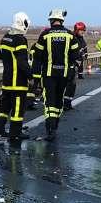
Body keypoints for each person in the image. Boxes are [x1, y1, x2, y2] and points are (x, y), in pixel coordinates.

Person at [31, 9, 79, 140]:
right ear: (62, 20)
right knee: (59, 100)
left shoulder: (45, 35)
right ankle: (55, 126)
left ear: (51, 21)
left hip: (48, 75)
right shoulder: (70, 35)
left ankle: (50, 128)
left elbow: (37, 57)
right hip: (64, 75)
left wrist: (35, 78)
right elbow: (76, 56)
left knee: (49, 101)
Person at [0, 12, 31, 141]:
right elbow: (22, 62)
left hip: (7, 80)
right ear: (23, 23)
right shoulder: (20, 39)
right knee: (17, 109)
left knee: (4, 107)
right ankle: (15, 133)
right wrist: (30, 75)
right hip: (18, 82)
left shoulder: (5, 37)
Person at [63, 21, 88, 110]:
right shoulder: (72, 38)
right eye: (81, 30)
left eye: (83, 30)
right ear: (77, 30)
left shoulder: (82, 40)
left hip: (76, 66)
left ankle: (68, 103)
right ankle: (63, 104)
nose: (83, 32)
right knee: (66, 84)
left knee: (72, 86)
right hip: (69, 65)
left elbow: (85, 51)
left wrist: (84, 56)